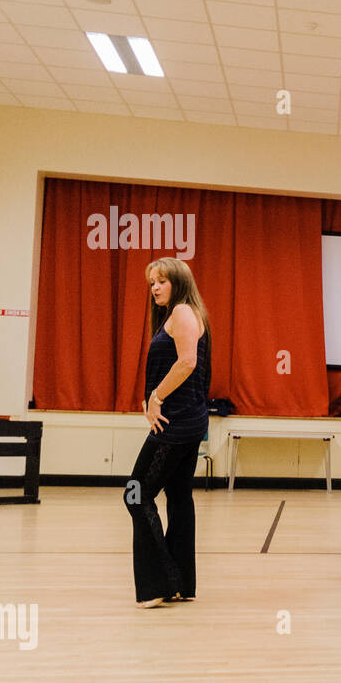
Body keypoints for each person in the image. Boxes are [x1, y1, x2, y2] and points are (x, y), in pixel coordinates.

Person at [126, 257, 211, 608]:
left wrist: (156, 397)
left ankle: (159, 582)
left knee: (135, 495)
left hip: (175, 422)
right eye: (151, 283)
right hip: (185, 422)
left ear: (177, 282)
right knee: (177, 498)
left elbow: (188, 362)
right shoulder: (180, 315)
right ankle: (180, 583)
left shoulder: (183, 312)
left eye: (161, 281)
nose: (155, 288)